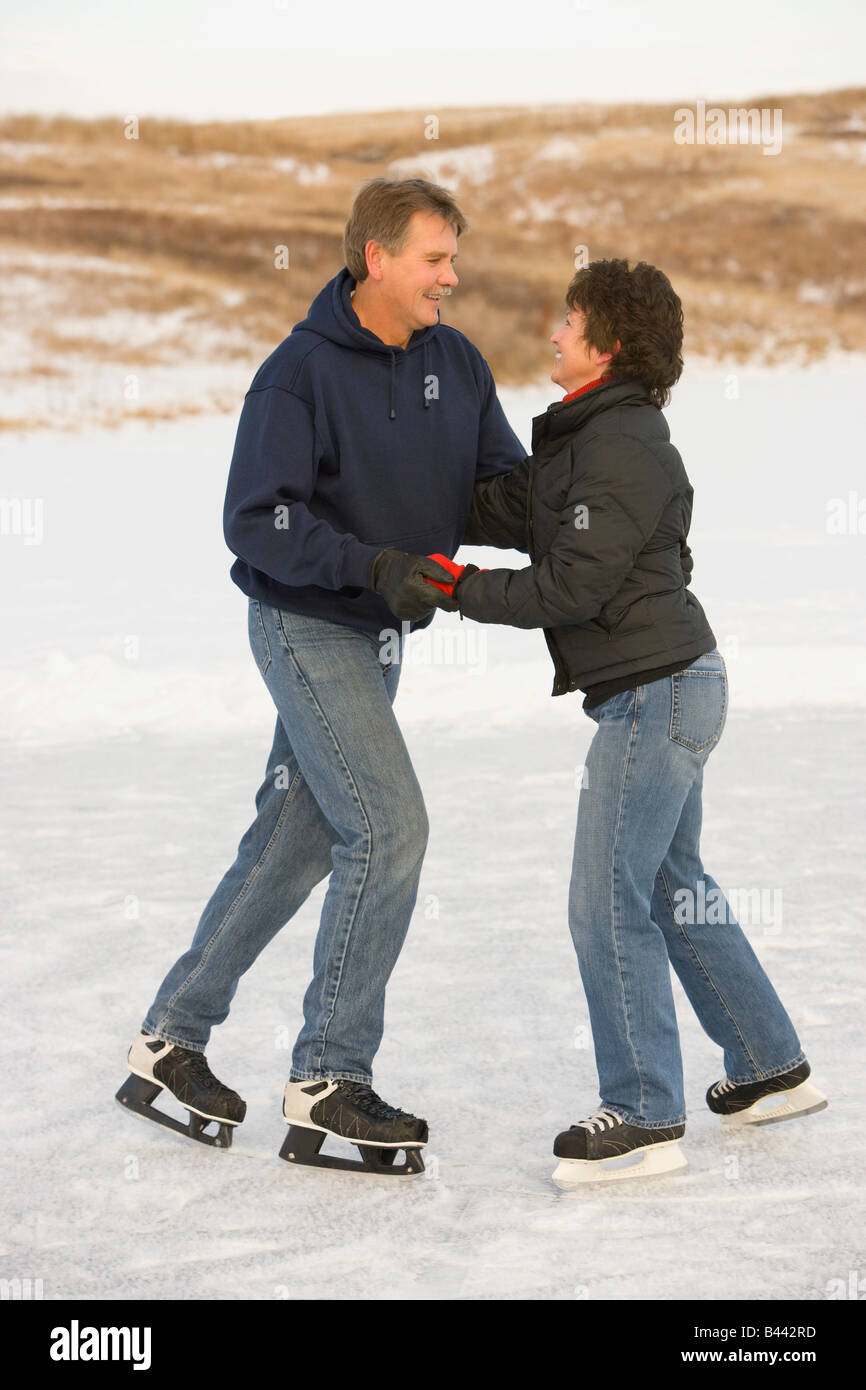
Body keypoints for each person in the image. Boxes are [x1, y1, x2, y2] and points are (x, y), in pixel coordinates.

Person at [116, 177, 525, 1174]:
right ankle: (329, 1080)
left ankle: (170, 1043)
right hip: (305, 625)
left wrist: (586, 501)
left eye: (453, 258)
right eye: (435, 258)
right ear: (376, 257)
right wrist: (370, 562)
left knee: (298, 837)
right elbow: (259, 517)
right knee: (386, 829)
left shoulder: (454, 360)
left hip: (377, 636)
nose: (451, 277)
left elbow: (494, 487)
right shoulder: (297, 375)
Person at [424, 257, 827, 1186]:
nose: (554, 332)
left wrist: (456, 588)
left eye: (570, 320)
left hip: (659, 692)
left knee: (606, 898)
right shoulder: (590, 440)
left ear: (605, 344)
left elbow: (572, 583)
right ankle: (768, 1065)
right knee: (668, 885)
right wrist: (408, 473)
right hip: (668, 685)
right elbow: (507, 506)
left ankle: (645, 1112)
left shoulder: (622, 445)